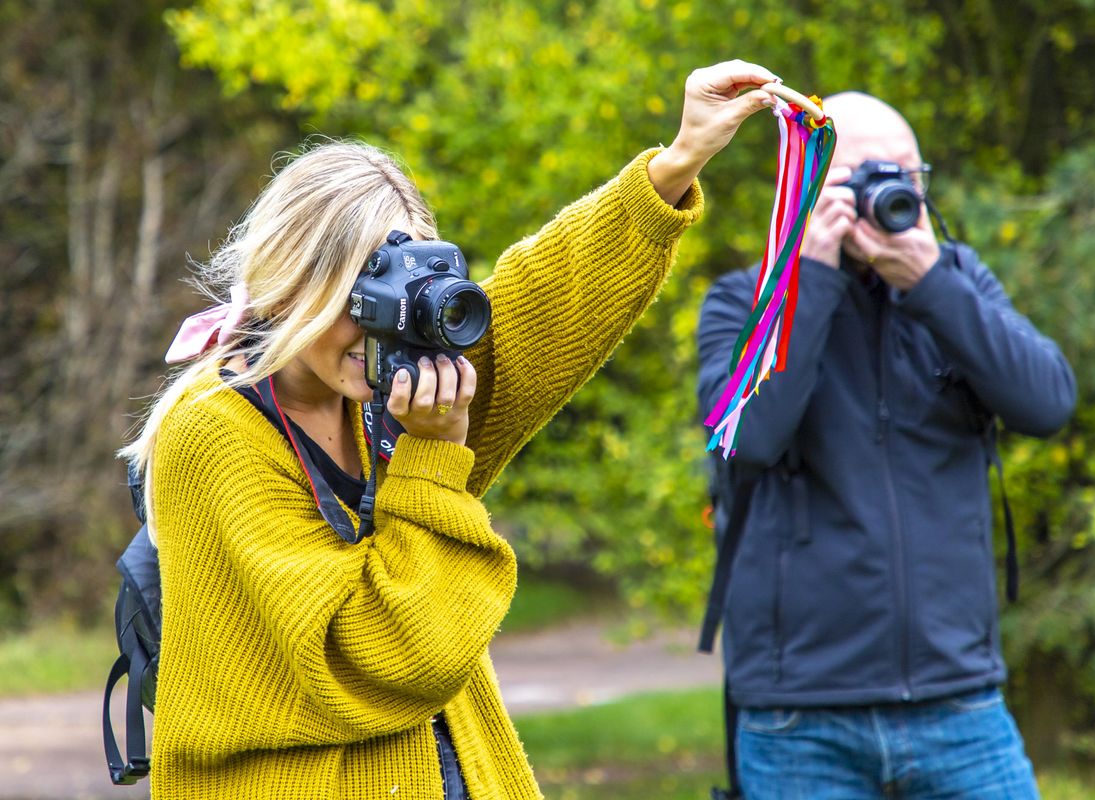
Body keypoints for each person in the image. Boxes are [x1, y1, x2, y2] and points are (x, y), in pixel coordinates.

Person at [119, 60, 782, 799]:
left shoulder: (378, 385)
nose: (382, 327)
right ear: (291, 281)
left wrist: (677, 162)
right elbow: (381, 653)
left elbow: (541, 308)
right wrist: (432, 453)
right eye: (360, 298)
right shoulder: (214, 431)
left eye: (403, 291)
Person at [696, 92, 1077, 799]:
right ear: (805, 185)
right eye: (862, 176)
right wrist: (808, 279)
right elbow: (747, 438)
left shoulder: (953, 281)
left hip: (957, 699)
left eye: (905, 174)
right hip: (799, 715)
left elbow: (1047, 401)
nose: (887, 192)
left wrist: (932, 285)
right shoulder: (745, 299)